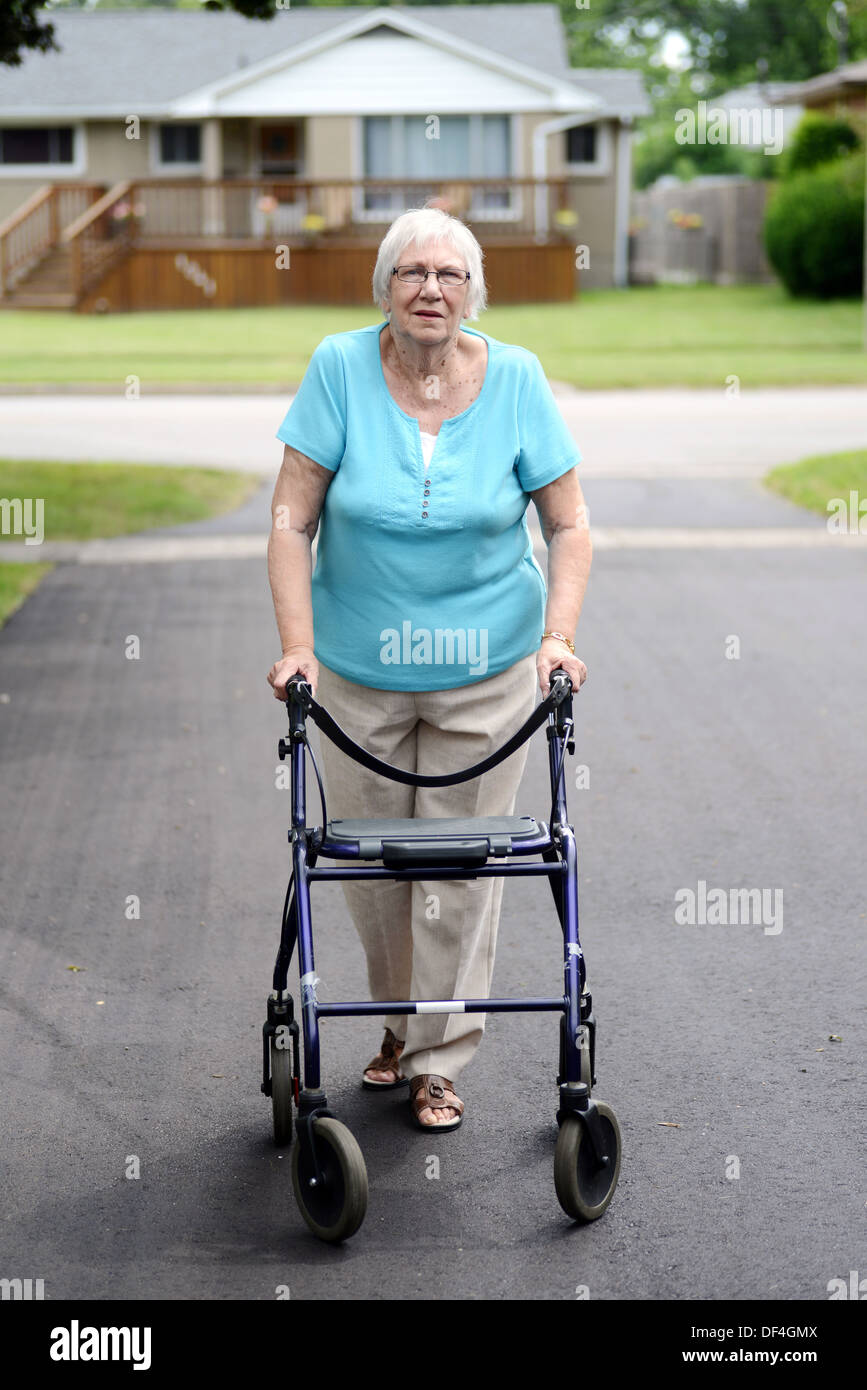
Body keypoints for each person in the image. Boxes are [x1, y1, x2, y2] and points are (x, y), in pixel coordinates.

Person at [266, 205, 591, 1131]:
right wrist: (297, 647)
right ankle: (394, 1028)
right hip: (356, 675)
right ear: (384, 287)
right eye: (413, 273)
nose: (430, 290)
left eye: (449, 275)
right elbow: (291, 522)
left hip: (486, 673)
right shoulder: (337, 369)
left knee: (458, 868)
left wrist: (556, 637)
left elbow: (567, 527)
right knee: (373, 871)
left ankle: (436, 1059)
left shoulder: (517, 378)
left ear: (472, 292)